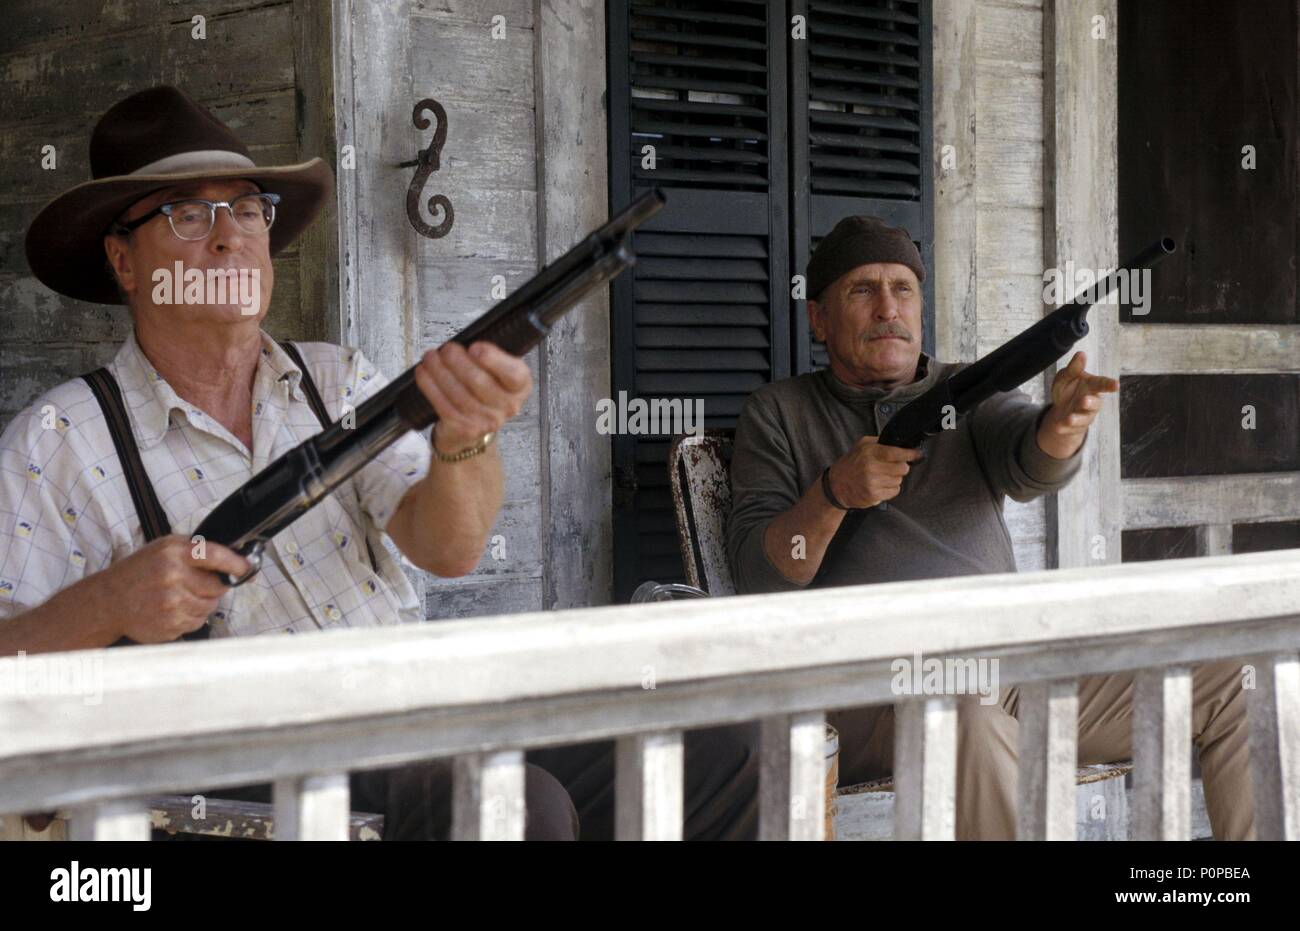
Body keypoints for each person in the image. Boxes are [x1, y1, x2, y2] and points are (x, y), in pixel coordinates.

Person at [0, 85, 574, 840]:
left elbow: (450, 547)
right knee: (511, 804)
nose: (229, 237)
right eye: (188, 213)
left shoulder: (339, 380)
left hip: (411, 720)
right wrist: (111, 601)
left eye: (246, 209)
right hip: (242, 790)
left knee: (724, 747)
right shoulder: (56, 440)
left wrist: (465, 434)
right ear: (124, 260)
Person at [725, 215, 1255, 840]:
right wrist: (834, 493)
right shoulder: (777, 413)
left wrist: (1064, 421)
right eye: (862, 291)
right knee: (965, 706)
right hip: (871, 690)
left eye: (903, 289)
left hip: (1013, 669)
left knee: (1238, 679)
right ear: (818, 318)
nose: (887, 308)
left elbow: (1029, 462)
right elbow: (761, 575)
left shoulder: (963, 389)